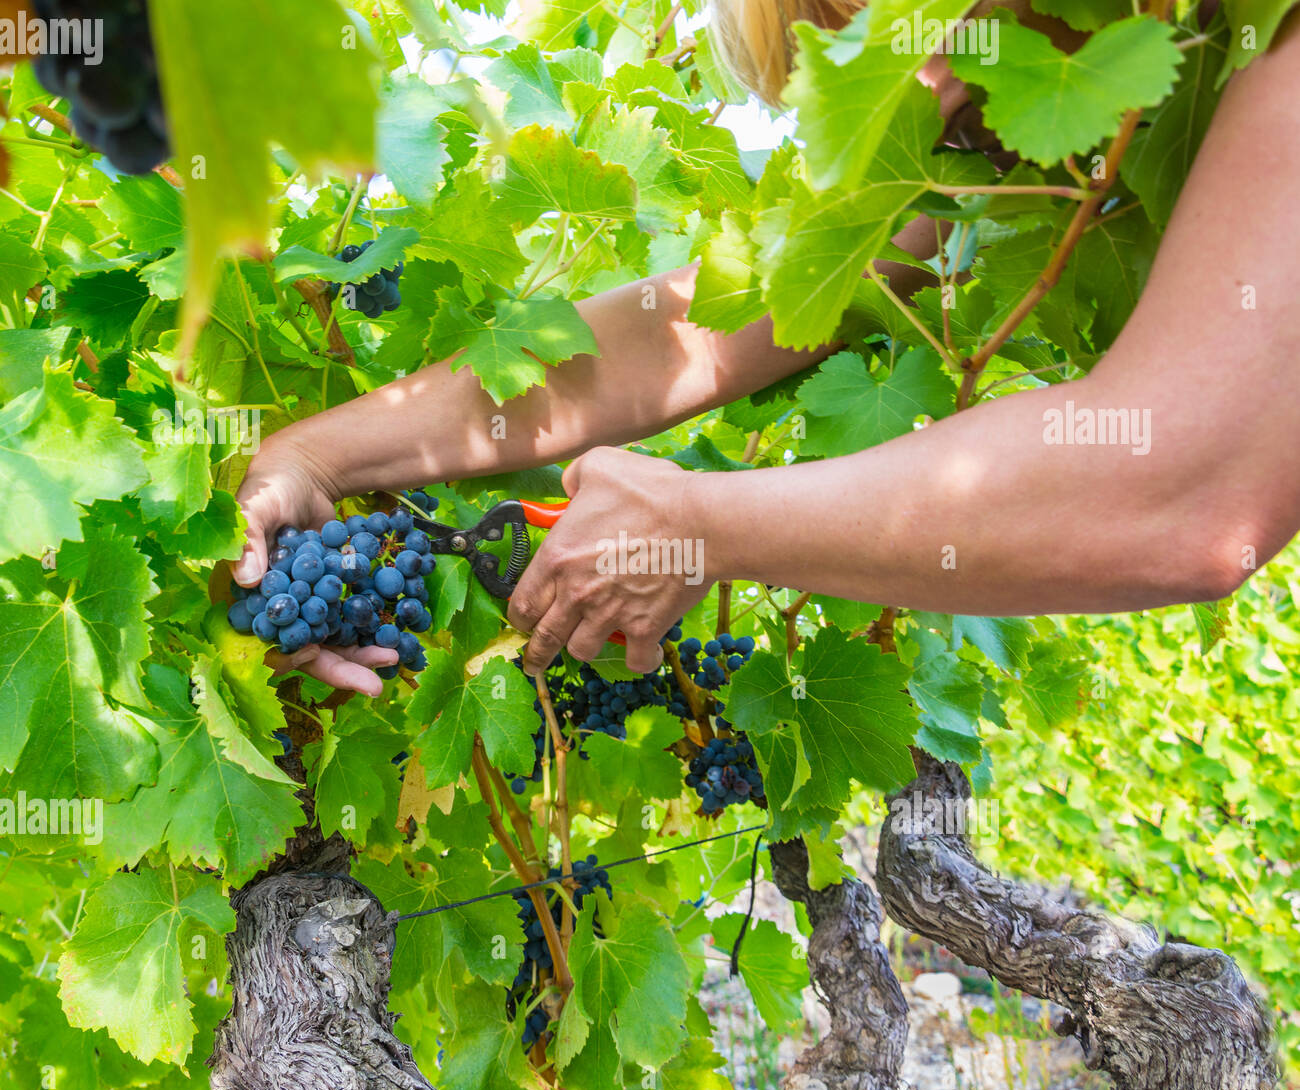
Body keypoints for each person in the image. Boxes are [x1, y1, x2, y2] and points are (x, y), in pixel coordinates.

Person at [233, 0, 1300, 696]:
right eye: (862, 64)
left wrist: (703, 522)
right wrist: (315, 457)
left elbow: (1176, 492)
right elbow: (687, 338)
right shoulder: (1022, 162)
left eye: (925, 20)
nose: (925, 92)